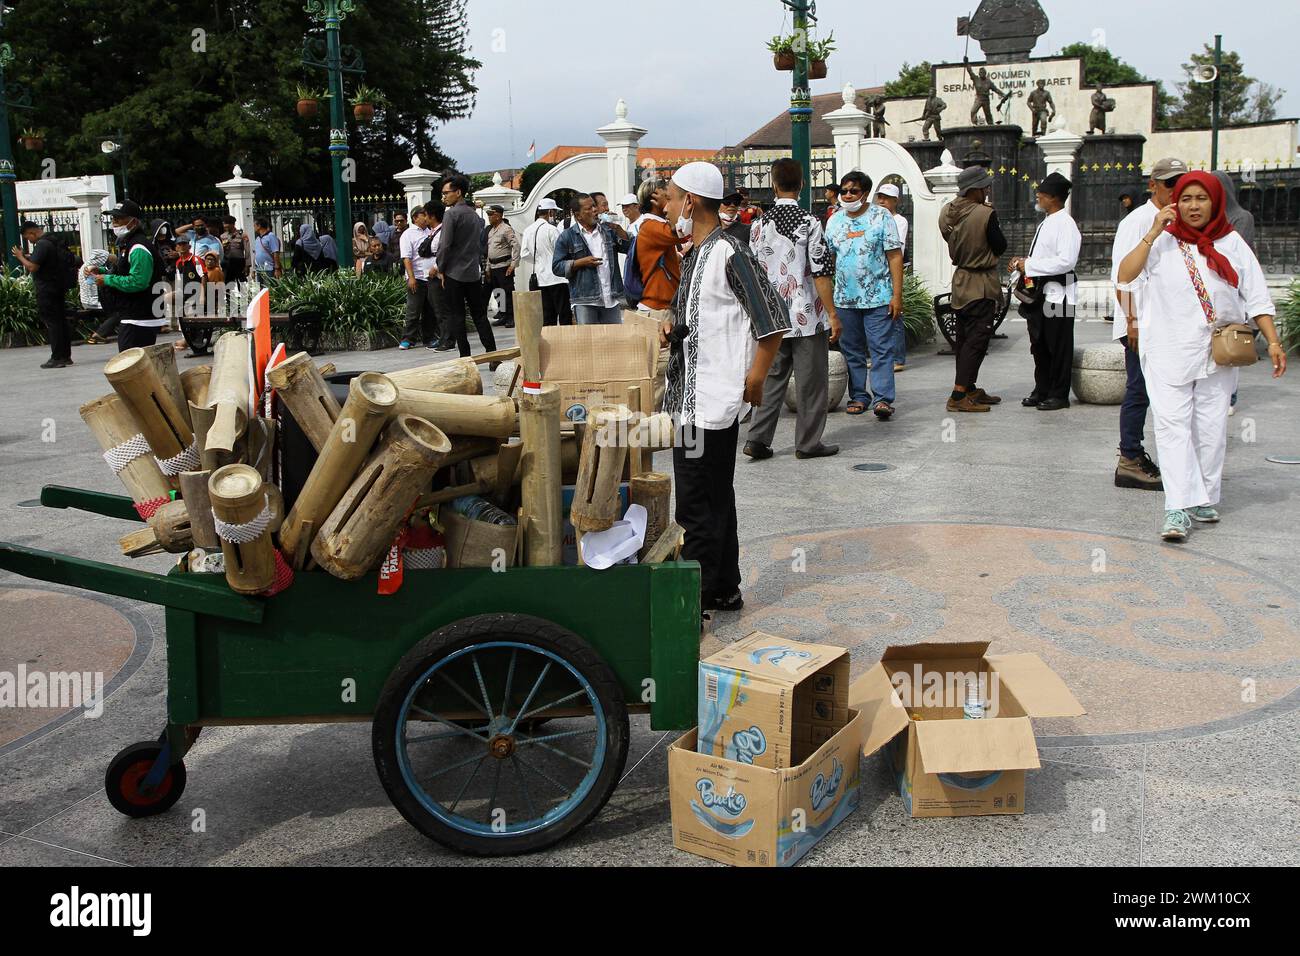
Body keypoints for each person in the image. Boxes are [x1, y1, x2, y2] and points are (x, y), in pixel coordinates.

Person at [1117, 171, 1286, 542]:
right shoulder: (1161, 241)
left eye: (1202, 198)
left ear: (1215, 201)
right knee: (1172, 426)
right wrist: (1153, 233)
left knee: (1210, 429)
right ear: (1176, 202)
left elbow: (1256, 295)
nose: (1194, 206)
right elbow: (1125, 278)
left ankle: (1203, 496)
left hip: (1217, 352)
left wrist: (1273, 341)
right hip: (1167, 350)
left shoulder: (1232, 243)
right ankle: (1176, 507)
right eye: (1187, 198)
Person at [660, 161, 789, 614]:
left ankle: (692, 603)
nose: (669, 204)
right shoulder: (698, 252)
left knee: (697, 503)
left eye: (673, 197)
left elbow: (771, 320)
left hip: (709, 402)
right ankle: (724, 587)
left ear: (691, 201)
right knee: (714, 496)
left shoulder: (729, 253)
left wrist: (756, 378)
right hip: (692, 398)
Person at [744, 158, 839, 461]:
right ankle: (808, 443)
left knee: (772, 378)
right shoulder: (810, 222)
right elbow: (821, 272)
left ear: (773, 185)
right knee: (811, 381)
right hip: (807, 315)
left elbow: (754, 272)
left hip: (772, 315)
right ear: (801, 184)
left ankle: (758, 439)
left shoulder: (758, 225)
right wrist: (833, 314)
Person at [1110, 157, 1187, 491]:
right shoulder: (1139, 221)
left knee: (1162, 391)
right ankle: (1129, 457)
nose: (1176, 189)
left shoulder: (1176, 219)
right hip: (1141, 322)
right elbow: (1122, 277)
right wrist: (1133, 321)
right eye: (1169, 183)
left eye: (1180, 183)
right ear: (1153, 184)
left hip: (1165, 321)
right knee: (1139, 390)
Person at [824, 170, 904, 420]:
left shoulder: (881, 217)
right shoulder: (834, 220)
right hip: (845, 299)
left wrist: (897, 295)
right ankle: (859, 395)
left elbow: (894, 255)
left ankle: (882, 399)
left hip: (878, 297)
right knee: (852, 351)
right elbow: (828, 260)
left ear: (865, 193)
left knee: (881, 350)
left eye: (853, 191)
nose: (847, 195)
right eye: (844, 191)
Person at [1008, 172, 1081, 411]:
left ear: (1054, 198)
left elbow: (1066, 262)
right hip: (1041, 294)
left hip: (1059, 295)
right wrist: (1023, 262)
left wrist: (1028, 265)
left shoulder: (1066, 224)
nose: (1038, 196)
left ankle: (1059, 394)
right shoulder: (1047, 221)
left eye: (1043, 194)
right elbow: (1043, 258)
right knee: (1039, 344)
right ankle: (1042, 389)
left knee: (1057, 346)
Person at [939, 165, 1007, 412]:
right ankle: (958, 396)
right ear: (976, 189)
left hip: (960, 283)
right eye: (985, 187)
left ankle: (969, 388)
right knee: (977, 341)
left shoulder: (947, 211)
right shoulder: (985, 214)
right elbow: (999, 246)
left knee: (965, 339)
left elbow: (951, 238)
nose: (987, 190)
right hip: (981, 284)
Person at [86, 200, 165, 351]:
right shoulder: (128, 244)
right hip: (133, 314)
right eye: (113, 219)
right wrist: (101, 272)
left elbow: (138, 281)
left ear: (133, 222)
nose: (114, 223)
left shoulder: (138, 247)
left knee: (131, 365)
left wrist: (107, 279)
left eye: (119, 219)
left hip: (140, 317)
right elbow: (124, 271)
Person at [436, 174, 496, 356]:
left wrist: (440, 268)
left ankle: (465, 357)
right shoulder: (474, 215)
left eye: (446, 193)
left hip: (454, 272)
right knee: (480, 316)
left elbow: (445, 245)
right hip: (473, 272)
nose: (444, 196)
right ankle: (492, 354)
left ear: (458, 192)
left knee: (457, 316)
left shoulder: (451, 214)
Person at [552, 193, 629, 325]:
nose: (594, 210)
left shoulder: (608, 231)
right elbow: (557, 267)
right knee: (589, 342)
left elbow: (628, 248)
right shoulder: (568, 236)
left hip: (610, 297)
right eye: (589, 208)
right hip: (585, 300)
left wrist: (617, 228)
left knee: (614, 341)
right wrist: (580, 263)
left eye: (594, 206)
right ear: (578, 215)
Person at [13, 222, 74, 368]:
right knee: (60, 322)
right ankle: (65, 356)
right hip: (58, 287)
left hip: (47, 290)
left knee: (53, 324)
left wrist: (20, 257)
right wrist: (29, 256)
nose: (29, 240)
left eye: (28, 237)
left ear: (32, 232)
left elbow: (33, 267)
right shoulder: (53, 240)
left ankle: (57, 357)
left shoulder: (42, 244)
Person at [633, 177, 686, 323]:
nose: (671, 202)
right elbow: (685, 230)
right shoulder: (650, 226)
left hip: (662, 308)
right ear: (655, 199)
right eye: (668, 197)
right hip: (658, 310)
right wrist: (667, 205)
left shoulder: (655, 226)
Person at [875, 183, 910, 372]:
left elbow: (898, 249)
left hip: (890, 271)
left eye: (886, 198)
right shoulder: (874, 218)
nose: (882, 201)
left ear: (895, 200)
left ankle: (898, 358)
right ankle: (880, 357)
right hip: (876, 273)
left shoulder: (899, 221)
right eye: (880, 197)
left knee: (894, 315)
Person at [521, 198, 569, 326]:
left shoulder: (528, 230)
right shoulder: (551, 229)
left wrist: (538, 260)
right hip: (557, 278)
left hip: (540, 279)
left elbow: (524, 254)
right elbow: (561, 251)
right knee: (564, 315)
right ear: (550, 212)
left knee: (547, 316)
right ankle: (566, 342)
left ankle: (550, 343)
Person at [399, 204, 437, 350]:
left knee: (430, 310)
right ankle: (408, 339)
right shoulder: (408, 235)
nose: (426, 217)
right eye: (423, 214)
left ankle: (429, 338)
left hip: (431, 277)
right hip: (417, 277)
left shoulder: (431, 232)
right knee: (413, 310)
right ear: (415, 217)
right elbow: (407, 258)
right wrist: (411, 278)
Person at [484, 205, 520, 329]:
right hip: (493, 266)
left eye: (491, 214)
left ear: (498, 216)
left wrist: (513, 264)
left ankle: (511, 317)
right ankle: (503, 315)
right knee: (498, 292)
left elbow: (516, 246)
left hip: (504, 265)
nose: (489, 217)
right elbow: (490, 250)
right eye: (488, 214)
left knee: (507, 292)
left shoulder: (506, 229)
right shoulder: (491, 230)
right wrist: (488, 268)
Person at [965, 57, 1006, 126]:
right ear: (979, 73)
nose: (981, 74)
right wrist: (966, 63)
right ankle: (975, 123)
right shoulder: (976, 79)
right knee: (973, 111)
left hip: (986, 99)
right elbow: (970, 71)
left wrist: (1003, 94)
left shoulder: (988, 82)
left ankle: (991, 125)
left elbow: (996, 89)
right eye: (980, 72)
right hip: (979, 98)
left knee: (988, 114)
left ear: (985, 73)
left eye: (983, 73)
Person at [219, 215, 250, 282]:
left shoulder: (242, 235)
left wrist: (247, 265)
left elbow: (247, 251)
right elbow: (221, 251)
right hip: (227, 262)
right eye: (223, 224)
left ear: (232, 224)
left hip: (239, 262)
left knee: (242, 283)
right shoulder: (223, 236)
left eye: (226, 224)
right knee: (227, 283)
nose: (224, 226)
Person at [252, 217, 282, 283]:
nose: (253, 227)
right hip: (259, 269)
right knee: (262, 290)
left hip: (270, 269)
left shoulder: (271, 236)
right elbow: (255, 254)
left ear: (259, 226)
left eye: (254, 225)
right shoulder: (257, 239)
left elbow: (275, 252)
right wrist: (254, 270)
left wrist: (277, 269)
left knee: (271, 289)